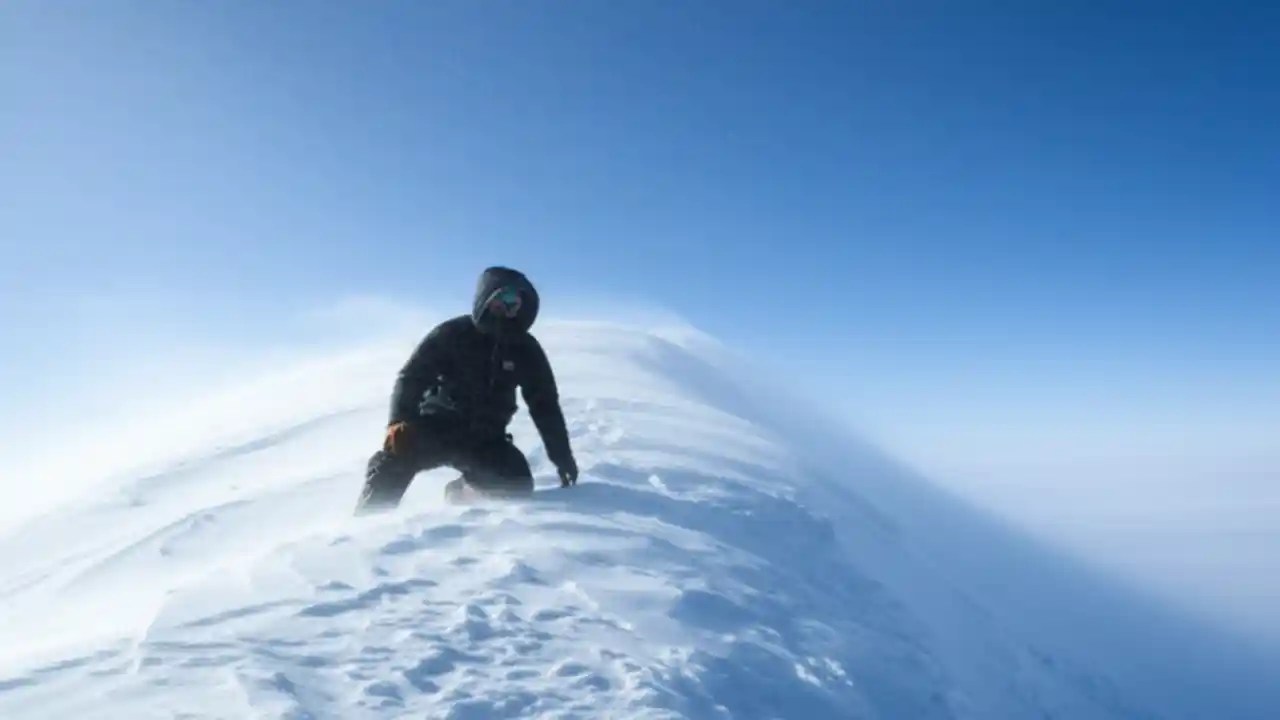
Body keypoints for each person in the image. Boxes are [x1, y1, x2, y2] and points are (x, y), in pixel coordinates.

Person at [355, 266, 578, 513]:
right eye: (503, 298)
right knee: (395, 456)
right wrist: (398, 421)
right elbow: (412, 377)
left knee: (517, 484)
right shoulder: (452, 334)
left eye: (516, 302)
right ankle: (366, 525)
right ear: (486, 298)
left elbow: (544, 405)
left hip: (486, 440)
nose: (509, 307)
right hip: (436, 428)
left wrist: (562, 458)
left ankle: (460, 492)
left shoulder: (526, 349)